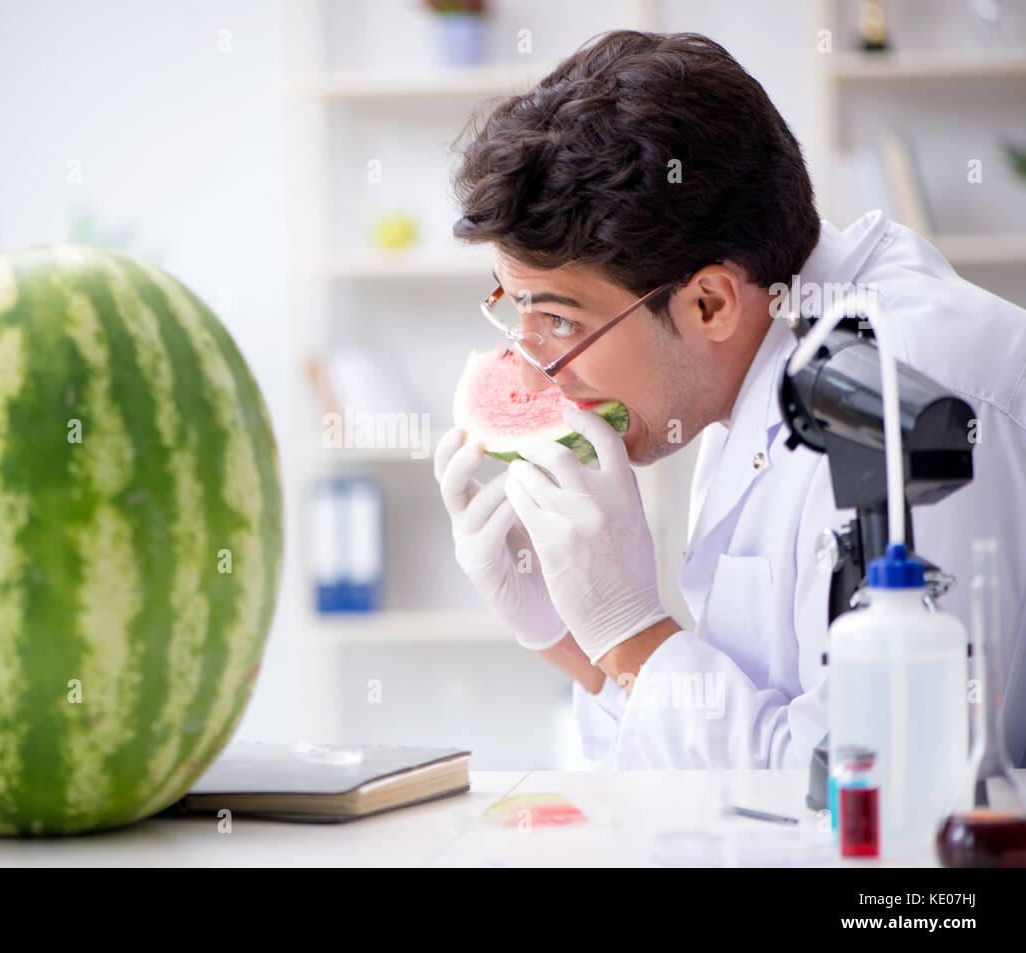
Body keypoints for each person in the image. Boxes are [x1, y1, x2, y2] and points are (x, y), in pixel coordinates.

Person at [434, 30, 1026, 770]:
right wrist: (569, 635)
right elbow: (729, 742)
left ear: (710, 303)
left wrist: (625, 627)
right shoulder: (747, 361)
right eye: (511, 311)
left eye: (558, 320)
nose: (529, 371)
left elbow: (867, 790)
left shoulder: (910, 404)